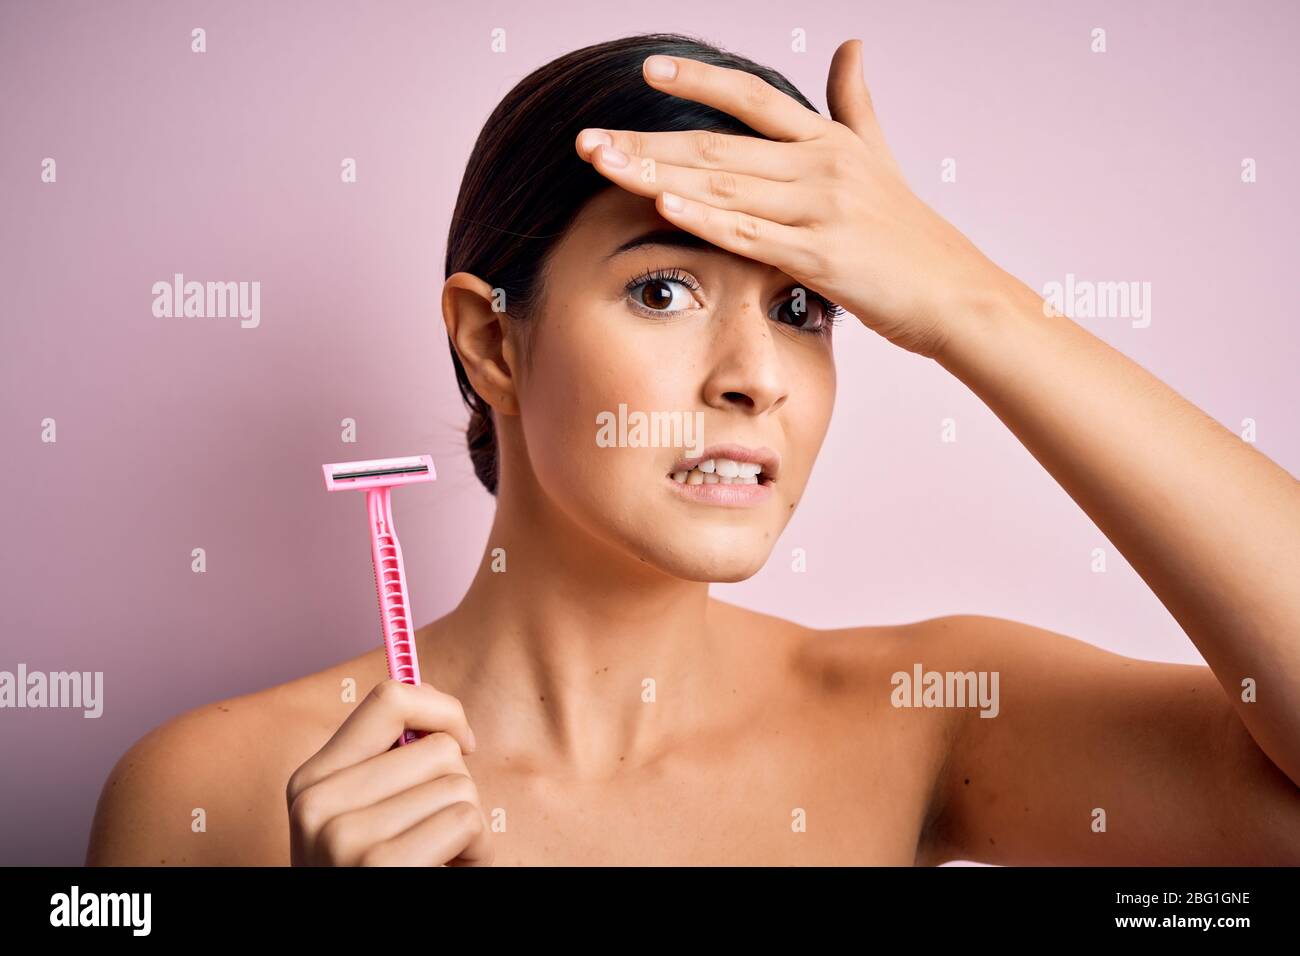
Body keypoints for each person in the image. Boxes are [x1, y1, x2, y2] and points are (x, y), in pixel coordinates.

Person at [86, 33, 1300, 867]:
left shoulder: (926, 717)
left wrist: (970, 305)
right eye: (662, 289)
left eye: (801, 305)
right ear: (492, 341)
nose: (755, 375)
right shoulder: (214, 791)